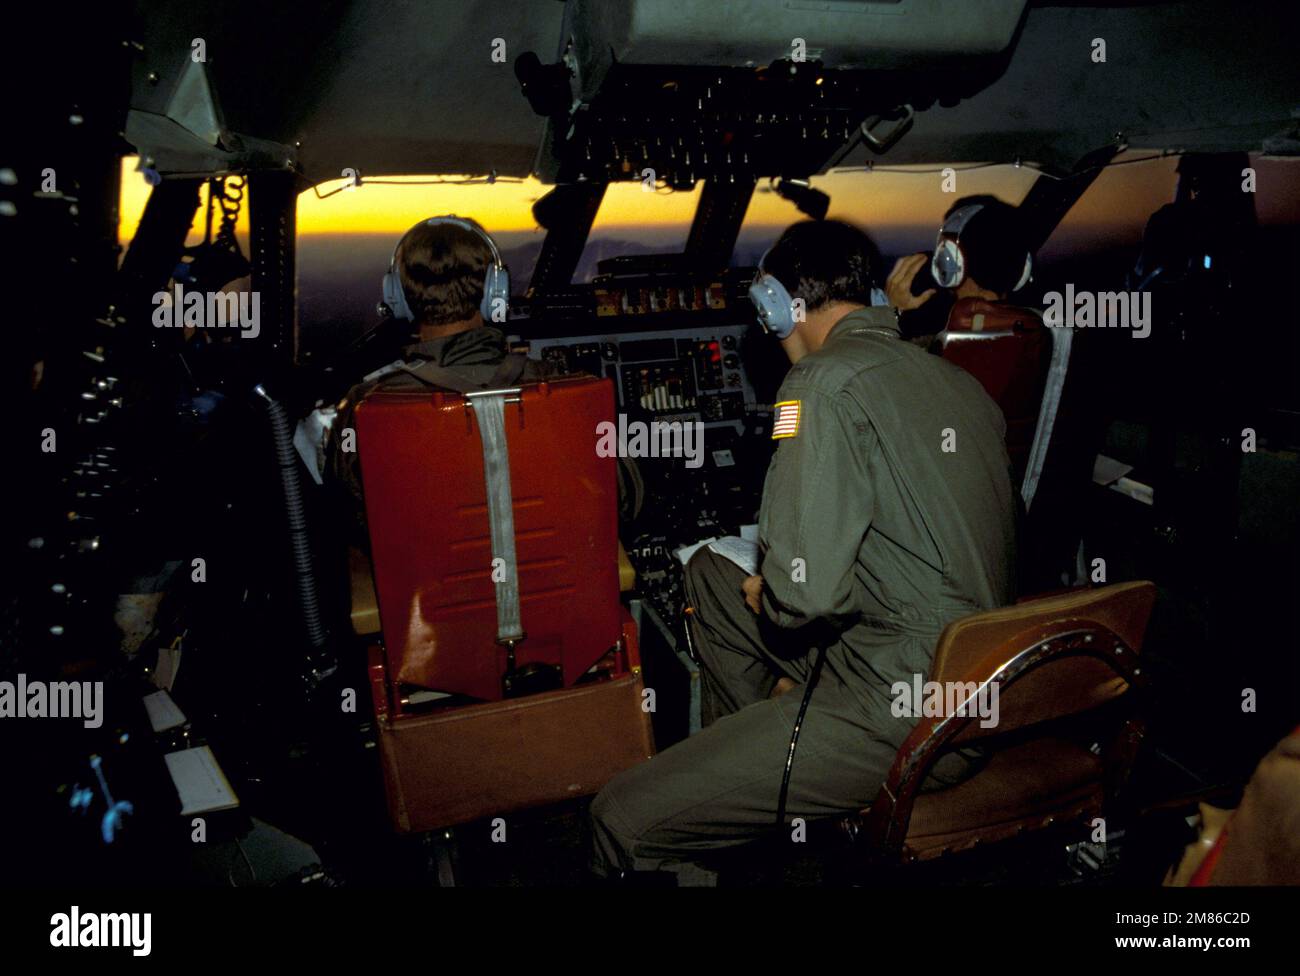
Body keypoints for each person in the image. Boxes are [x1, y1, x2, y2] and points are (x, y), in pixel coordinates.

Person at [589, 219, 1017, 880]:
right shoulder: (960, 383)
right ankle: (754, 807)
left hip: (901, 708)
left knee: (619, 816)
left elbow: (806, 595)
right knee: (712, 577)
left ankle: (737, 797)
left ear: (775, 306)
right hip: (978, 680)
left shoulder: (818, 385)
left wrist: (779, 590)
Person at [324, 216, 548, 543]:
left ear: (397, 296)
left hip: (426, 593)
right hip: (550, 584)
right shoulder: (561, 385)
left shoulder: (363, 407)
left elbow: (349, 516)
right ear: (493, 292)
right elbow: (624, 498)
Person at [885, 195, 1034, 348]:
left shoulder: (948, 349)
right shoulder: (1031, 334)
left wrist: (891, 316)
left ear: (951, 259)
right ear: (1023, 270)